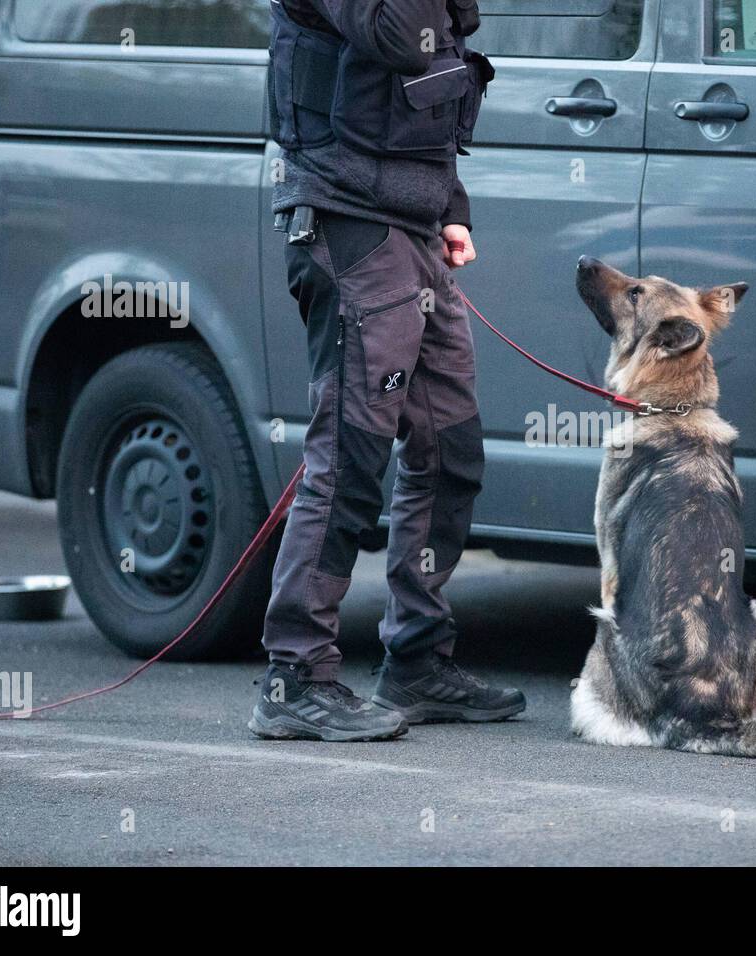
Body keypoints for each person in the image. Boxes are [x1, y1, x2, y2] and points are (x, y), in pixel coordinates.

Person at [249, 0, 524, 742]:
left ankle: (416, 659)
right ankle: (294, 675)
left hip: (413, 229)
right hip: (347, 222)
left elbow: (439, 79)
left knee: (451, 448)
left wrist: (452, 208)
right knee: (350, 456)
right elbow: (402, 36)